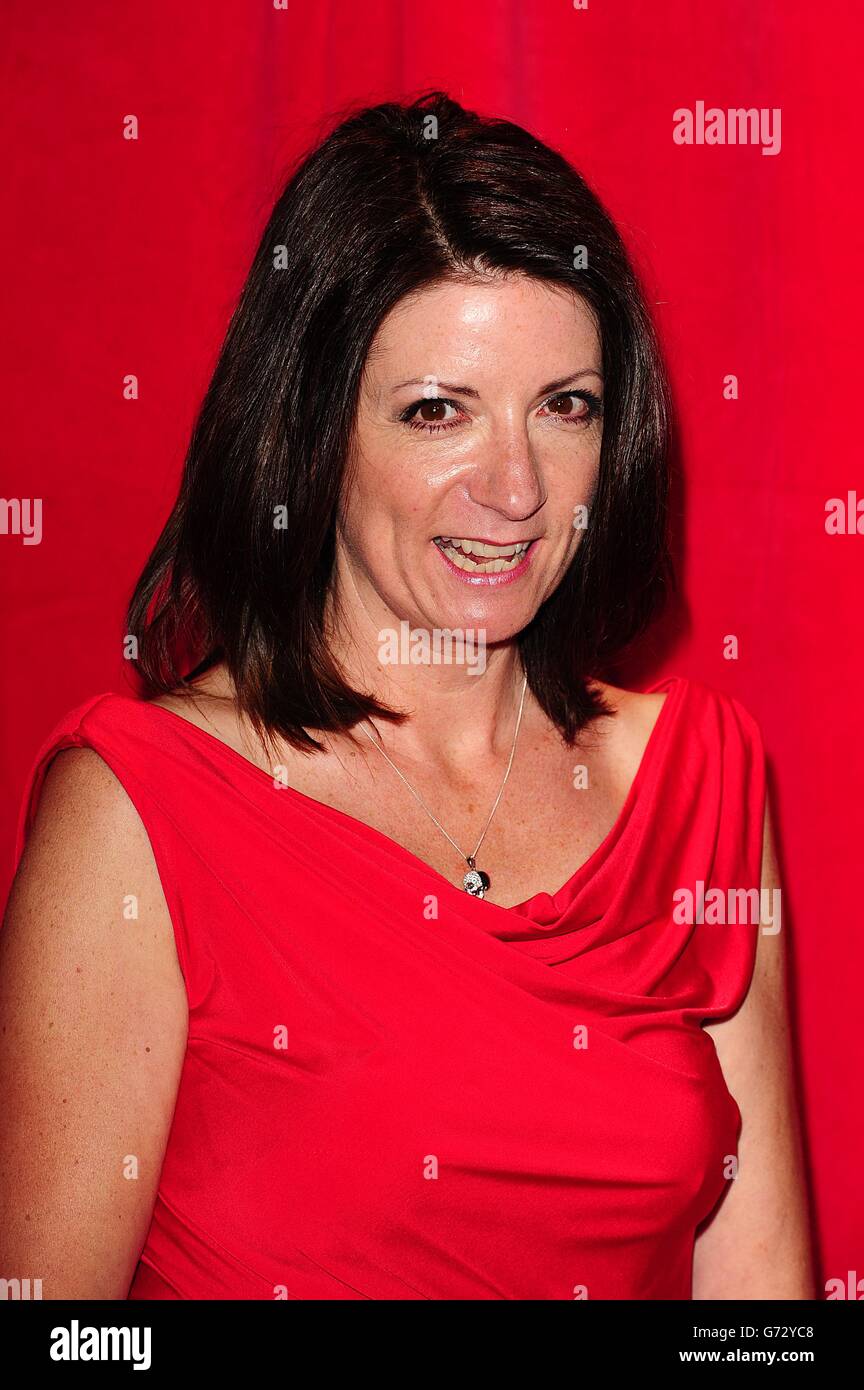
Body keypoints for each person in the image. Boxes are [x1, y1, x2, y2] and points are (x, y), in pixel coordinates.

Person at [0, 92, 813, 1300]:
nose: (517, 488)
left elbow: (760, 1317)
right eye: (439, 411)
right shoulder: (141, 812)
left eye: (565, 407)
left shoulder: (697, 786)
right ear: (313, 432)